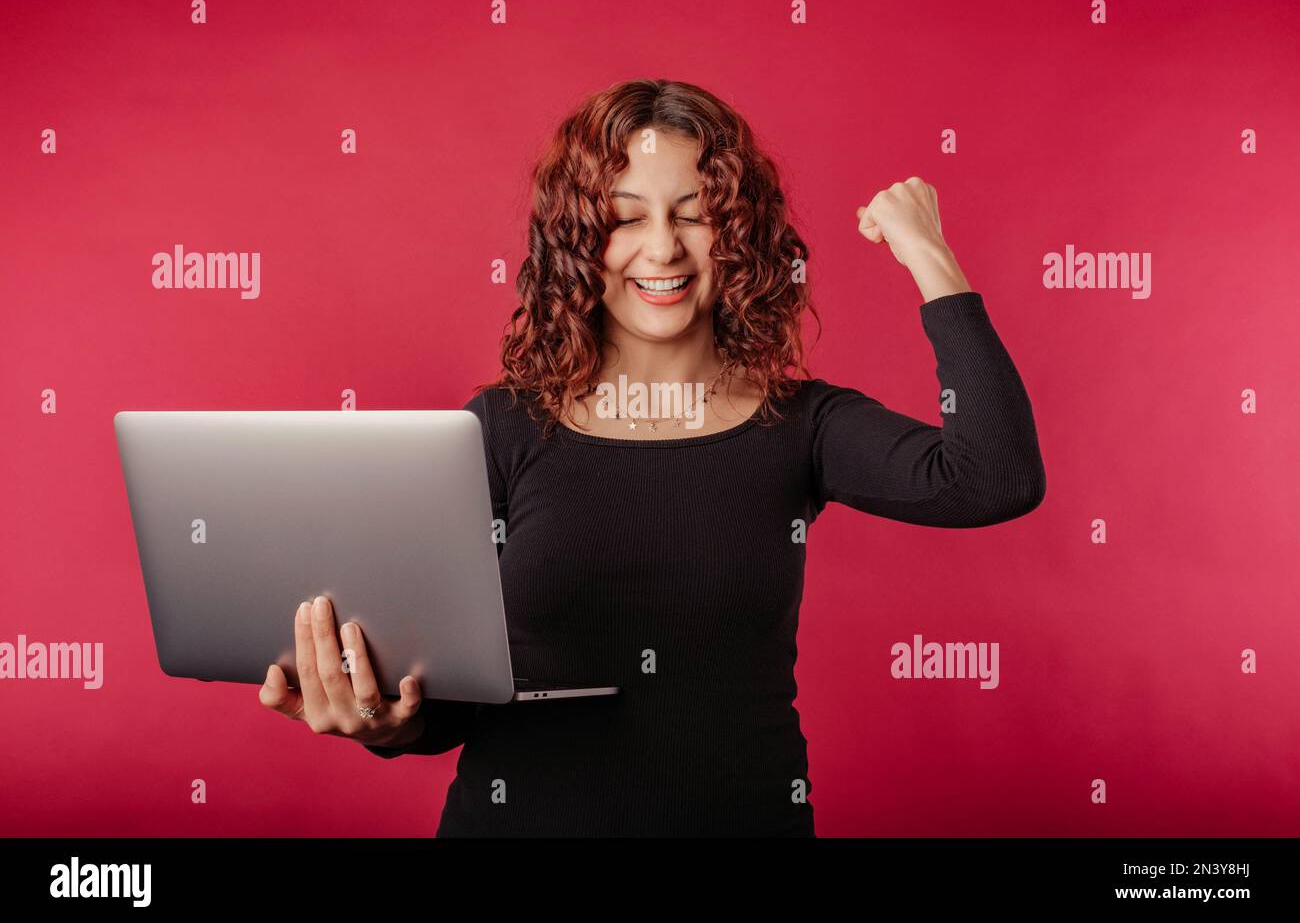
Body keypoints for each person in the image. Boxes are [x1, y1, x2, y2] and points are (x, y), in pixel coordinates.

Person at [258, 78, 1046, 836]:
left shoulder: (804, 424)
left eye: (695, 214)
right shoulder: (498, 428)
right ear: (578, 242)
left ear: (736, 232)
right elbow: (452, 708)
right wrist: (385, 724)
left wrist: (928, 255)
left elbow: (995, 478)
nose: (663, 247)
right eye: (625, 218)